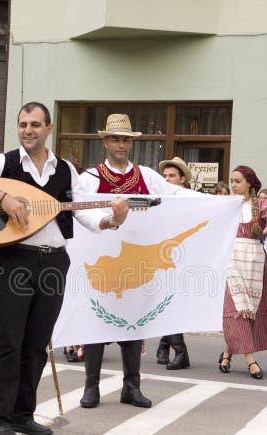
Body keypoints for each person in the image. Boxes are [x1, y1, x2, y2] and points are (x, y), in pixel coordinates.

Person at [0, 102, 129, 435]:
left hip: (54, 261)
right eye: (22, 124)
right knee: (6, 341)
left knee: (35, 343)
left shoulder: (65, 170)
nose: (28, 130)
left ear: (49, 128)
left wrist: (112, 219)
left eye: (35, 124)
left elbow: (84, 213)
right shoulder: (4, 163)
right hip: (14, 258)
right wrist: (0, 197)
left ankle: (22, 413)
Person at [78, 114, 202, 408]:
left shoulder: (146, 176)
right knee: (97, 321)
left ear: (131, 142)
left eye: (126, 139)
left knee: (134, 322)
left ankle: (131, 387)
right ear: (106, 141)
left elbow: (174, 195)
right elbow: (80, 210)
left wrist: (211, 202)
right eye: (115, 139)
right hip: (104, 261)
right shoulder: (90, 177)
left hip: (137, 263)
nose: (121, 144)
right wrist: (107, 221)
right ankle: (91, 386)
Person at [218, 165, 267, 380]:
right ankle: (250, 360)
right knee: (238, 308)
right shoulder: (227, 204)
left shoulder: (260, 203)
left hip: (253, 261)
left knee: (248, 309)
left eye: (238, 181)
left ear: (249, 183)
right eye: (232, 181)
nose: (233, 185)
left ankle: (227, 353)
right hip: (232, 260)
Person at [154, 156, 193, 370]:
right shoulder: (159, 197)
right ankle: (165, 344)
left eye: (172, 176)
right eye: (165, 175)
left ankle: (179, 350)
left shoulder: (189, 199)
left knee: (172, 303)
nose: (167, 179)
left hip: (180, 256)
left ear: (182, 180)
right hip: (160, 255)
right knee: (164, 301)